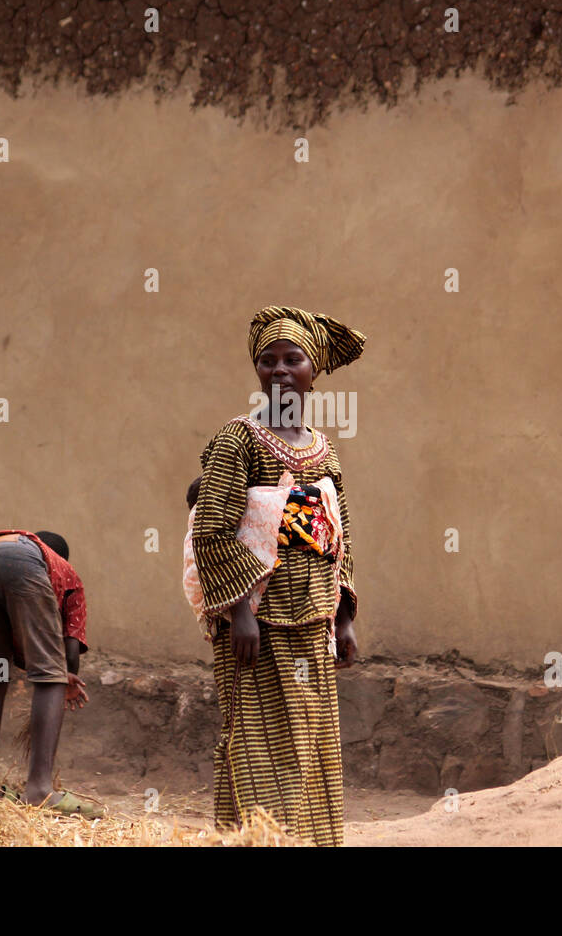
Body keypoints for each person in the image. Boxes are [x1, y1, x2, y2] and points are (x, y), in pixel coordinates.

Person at [191, 305, 364, 846]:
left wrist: (345, 618)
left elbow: (339, 534)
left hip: (313, 619)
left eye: (293, 359)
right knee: (256, 742)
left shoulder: (323, 447)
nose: (280, 370)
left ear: (314, 370)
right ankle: (263, 839)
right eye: (268, 361)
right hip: (258, 626)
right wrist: (240, 612)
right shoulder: (237, 438)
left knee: (310, 744)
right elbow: (212, 528)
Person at [0, 528, 100, 816]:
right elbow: (68, 652)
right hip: (18, 564)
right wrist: (65, 676)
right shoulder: (66, 573)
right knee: (51, 676)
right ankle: (40, 790)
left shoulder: (25, 548)